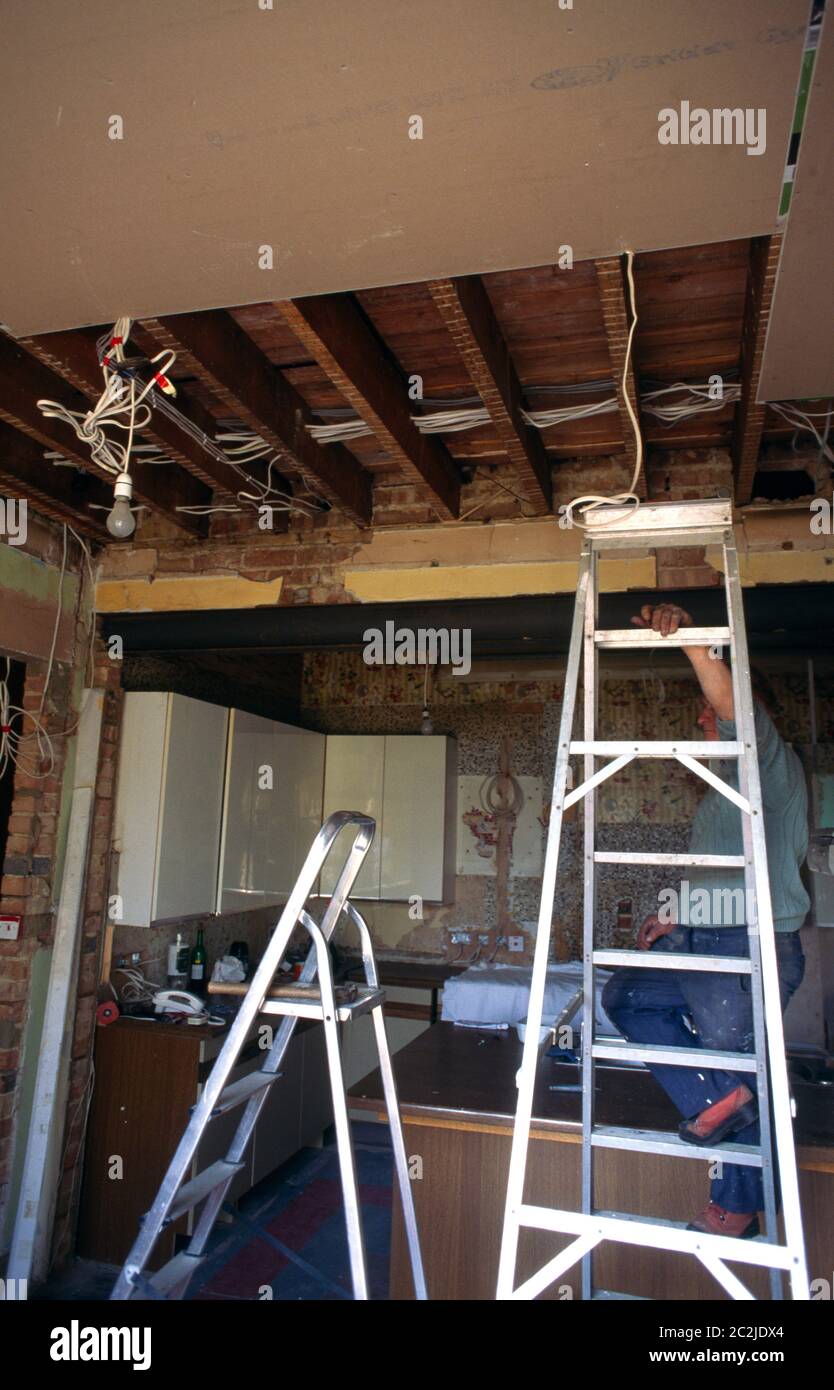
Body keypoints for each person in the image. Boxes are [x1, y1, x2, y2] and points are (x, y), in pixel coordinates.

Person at [601, 602, 809, 1238]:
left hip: (752, 951)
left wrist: (694, 648)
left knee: (734, 1072)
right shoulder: (727, 788)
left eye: (710, 714)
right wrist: (676, 918)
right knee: (630, 995)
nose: (702, 720)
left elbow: (734, 711)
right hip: (714, 940)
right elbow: (731, 876)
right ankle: (718, 1099)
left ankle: (739, 1204)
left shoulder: (767, 767)